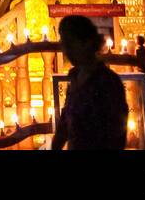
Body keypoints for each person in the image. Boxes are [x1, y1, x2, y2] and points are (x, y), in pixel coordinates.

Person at [51, 15, 128, 151]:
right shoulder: (75, 78)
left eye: (70, 44)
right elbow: (65, 121)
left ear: (86, 43)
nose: (66, 51)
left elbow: (117, 133)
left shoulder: (107, 82)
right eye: (64, 44)